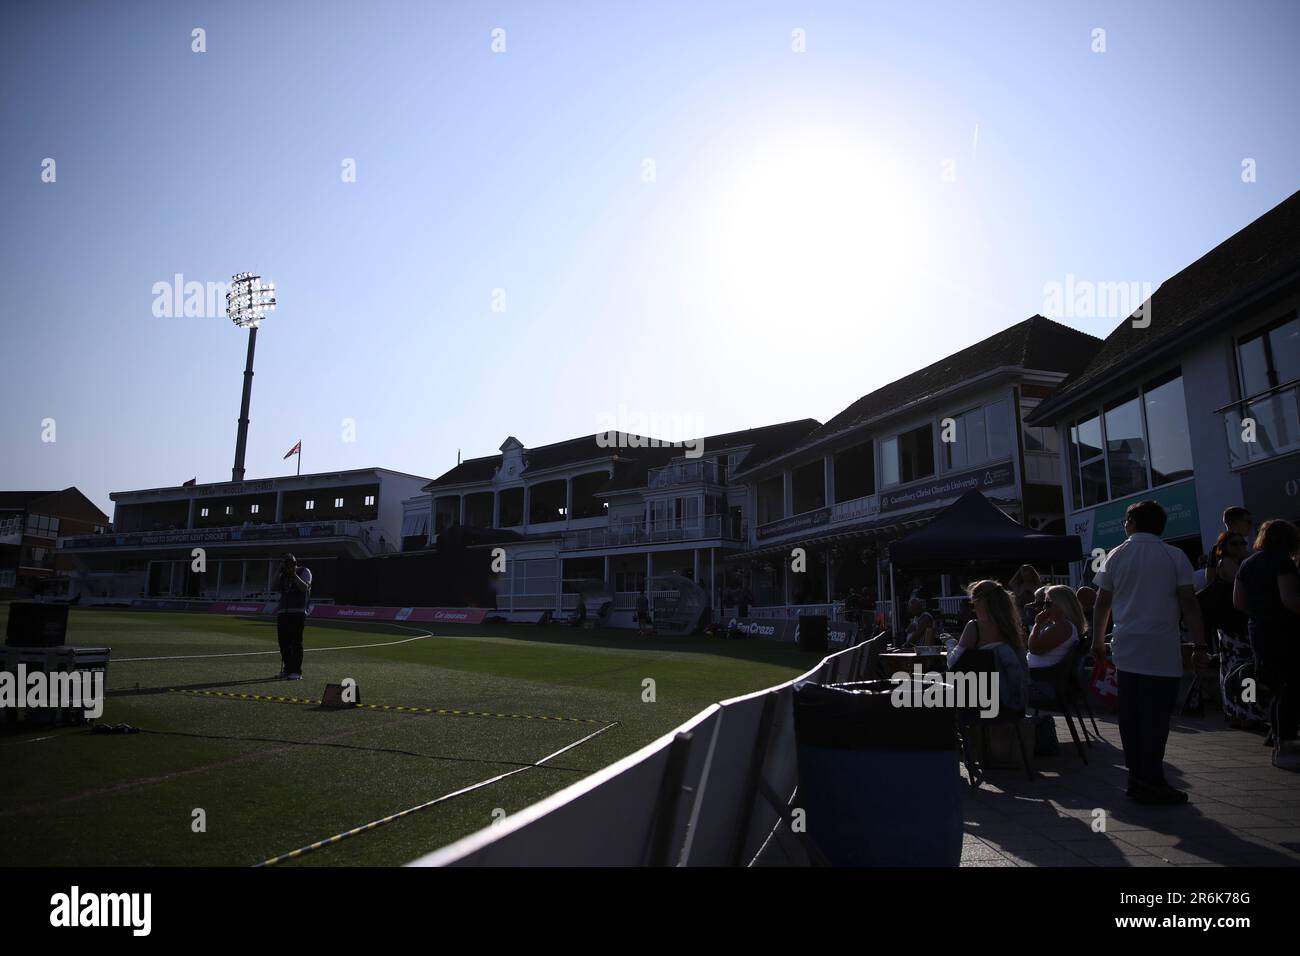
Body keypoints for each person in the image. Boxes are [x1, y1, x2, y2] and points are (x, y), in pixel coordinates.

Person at [1091, 501, 1206, 803]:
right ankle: (1151, 777)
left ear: (1130, 523)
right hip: (1162, 649)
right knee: (1156, 716)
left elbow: (1102, 603)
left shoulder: (1115, 555)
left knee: (1131, 715)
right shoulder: (1175, 556)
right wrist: (1200, 643)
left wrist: (1097, 640)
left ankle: (1137, 776)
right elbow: (1189, 603)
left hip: (1127, 647)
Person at [1233, 519, 1300, 770]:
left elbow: (1238, 602)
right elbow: (1289, 598)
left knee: (1278, 689)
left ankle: (1277, 741)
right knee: (1291, 690)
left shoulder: (1247, 564)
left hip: (1259, 631)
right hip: (1285, 631)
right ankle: (1287, 747)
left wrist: (1260, 614)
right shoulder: (1282, 562)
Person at [1200, 531, 1260, 727]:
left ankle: (1236, 711)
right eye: (1234, 544)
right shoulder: (1228, 563)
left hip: (1231, 626)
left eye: (1242, 543)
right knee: (1245, 672)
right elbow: (1246, 585)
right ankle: (1245, 712)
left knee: (1233, 670)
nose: (1240, 547)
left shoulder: (1235, 563)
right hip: (1235, 626)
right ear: (1224, 548)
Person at [948, 580, 1028, 713]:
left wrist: (950, 643)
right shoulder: (1014, 629)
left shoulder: (975, 627)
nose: (973, 608)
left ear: (981, 602)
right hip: (1013, 702)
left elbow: (953, 663)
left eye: (973, 603)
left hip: (978, 702)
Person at [1026, 585, 1087, 708]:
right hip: (1037, 678)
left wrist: (1037, 624)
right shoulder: (1059, 625)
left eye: (1048, 604)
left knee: (990, 681)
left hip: (1040, 683)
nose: (1044, 607)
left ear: (1062, 605)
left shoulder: (1063, 627)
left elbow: (1034, 648)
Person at [275, 553, 312, 680]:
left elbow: (305, 588)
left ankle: (296, 671)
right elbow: (273, 586)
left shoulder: (304, 571)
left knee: (296, 642)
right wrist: (278, 571)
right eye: (286, 564)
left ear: (295, 563)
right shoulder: (283, 575)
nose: (289, 567)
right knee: (283, 642)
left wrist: (294, 575)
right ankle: (288, 669)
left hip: (298, 611)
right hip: (283, 611)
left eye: (291, 564)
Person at [1218, 507, 1254, 578]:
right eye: (1248, 522)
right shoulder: (1226, 550)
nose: (1251, 525)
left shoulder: (1219, 546)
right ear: (1235, 522)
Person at [1008, 565, 1042, 631]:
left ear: (1032, 574)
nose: (1026, 576)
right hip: (1022, 613)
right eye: (1024, 574)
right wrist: (1021, 596)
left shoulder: (1037, 585)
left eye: (1028, 574)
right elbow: (1015, 601)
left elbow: (1040, 601)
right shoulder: (1018, 585)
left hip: (1035, 613)